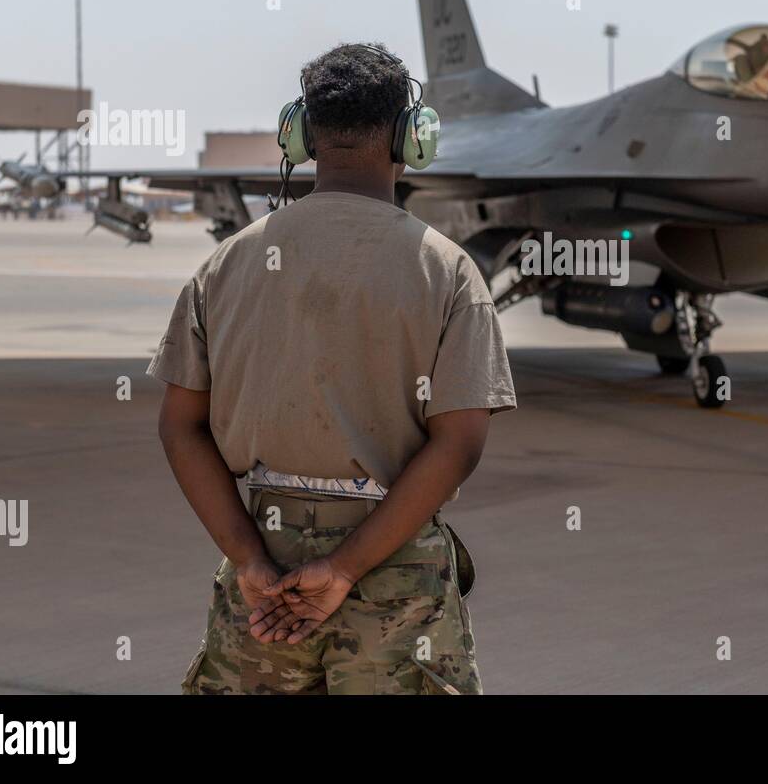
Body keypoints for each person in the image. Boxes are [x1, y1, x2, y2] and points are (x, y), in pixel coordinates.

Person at [150, 42, 515, 694]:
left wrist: (249, 561)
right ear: (410, 138)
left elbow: (180, 428)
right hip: (395, 575)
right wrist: (345, 569)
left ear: (300, 133)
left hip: (264, 580)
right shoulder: (448, 271)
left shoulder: (224, 265)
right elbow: (458, 445)